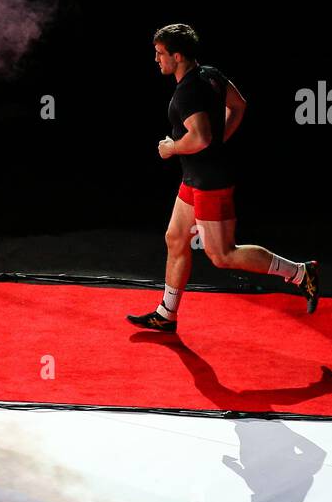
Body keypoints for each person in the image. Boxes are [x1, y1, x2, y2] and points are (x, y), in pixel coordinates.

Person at [128, 24, 320, 333]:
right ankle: (167, 313)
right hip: (197, 177)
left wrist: (171, 148)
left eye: (160, 53)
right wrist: (219, 140)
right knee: (176, 238)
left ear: (177, 56)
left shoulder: (186, 93)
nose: (156, 59)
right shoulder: (210, 75)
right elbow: (239, 105)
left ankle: (300, 273)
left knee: (223, 255)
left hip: (209, 182)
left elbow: (200, 137)